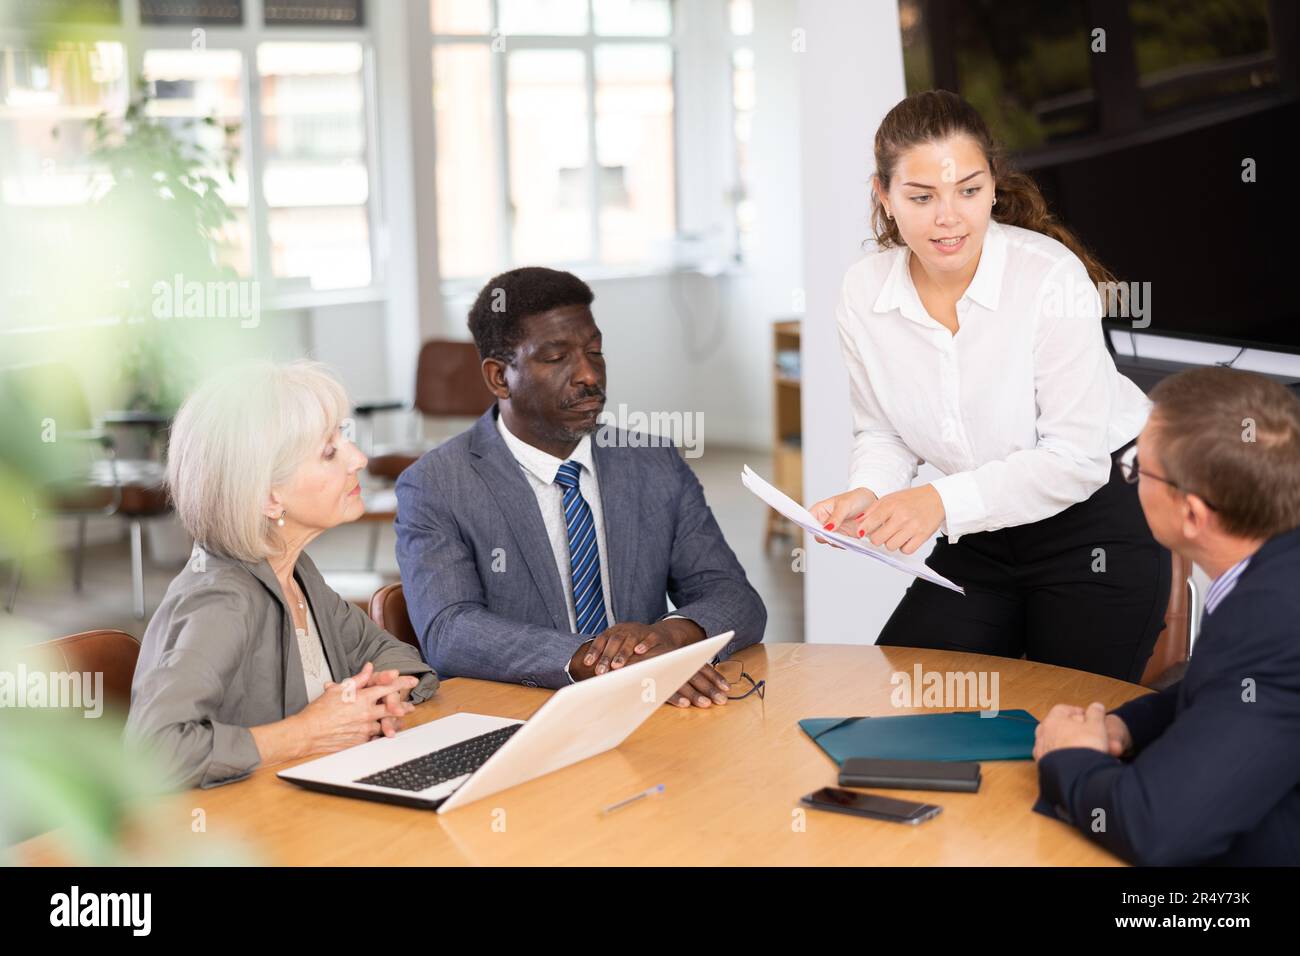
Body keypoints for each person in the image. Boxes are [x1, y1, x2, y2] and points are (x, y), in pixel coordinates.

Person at [809, 89, 1167, 681]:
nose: (948, 217)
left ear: (994, 186)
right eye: (921, 197)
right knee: (898, 703)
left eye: (969, 191)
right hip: (981, 534)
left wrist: (938, 502)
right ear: (884, 195)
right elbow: (883, 430)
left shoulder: (1049, 275)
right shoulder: (862, 292)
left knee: (1061, 733)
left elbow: (1076, 461)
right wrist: (866, 492)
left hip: (1095, 525)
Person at [395, 267, 766, 706]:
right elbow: (450, 630)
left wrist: (664, 637)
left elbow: (733, 596)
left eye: (595, 351)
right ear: (499, 377)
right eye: (556, 359)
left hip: (653, 712)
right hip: (521, 722)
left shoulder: (652, 462)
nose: (589, 375)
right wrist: (595, 660)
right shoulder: (437, 484)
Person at [127, 361, 438, 789]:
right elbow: (154, 752)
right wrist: (309, 732)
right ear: (268, 498)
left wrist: (379, 698)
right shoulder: (221, 601)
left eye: (344, 439)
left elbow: (390, 654)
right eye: (329, 452)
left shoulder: (294, 572)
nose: (359, 459)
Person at [1033, 367, 1300, 865]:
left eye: (1137, 467)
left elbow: (1155, 830)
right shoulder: (1276, 575)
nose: (1128, 478)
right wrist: (1129, 726)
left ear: (1193, 514)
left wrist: (1069, 755)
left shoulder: (1271, 624)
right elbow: (1231, 687)